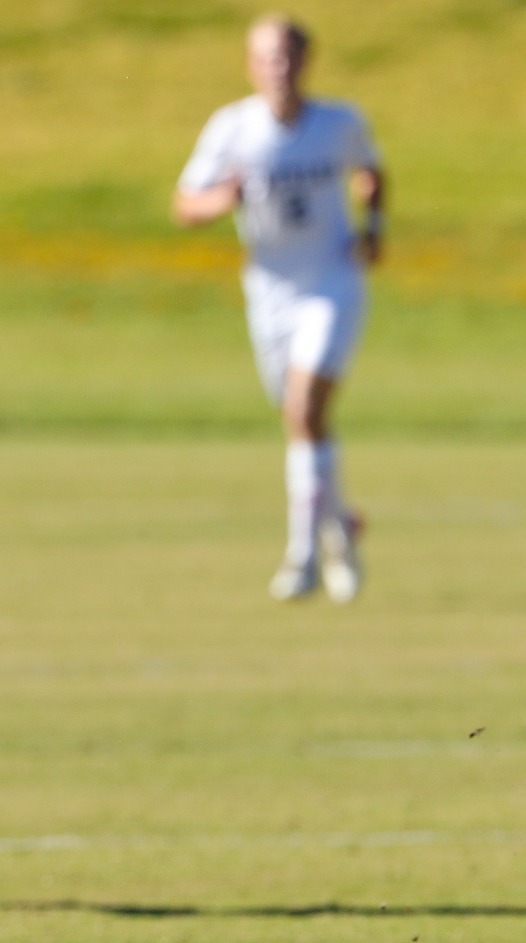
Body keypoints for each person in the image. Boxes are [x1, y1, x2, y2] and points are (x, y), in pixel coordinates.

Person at [173, 13, 383, 603]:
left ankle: (304, 557)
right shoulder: (233, 128)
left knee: (304, 405)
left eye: (289, 56)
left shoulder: (339, 122)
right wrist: (222, 197)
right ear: (251, 65)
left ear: (306, 62)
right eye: (268, 58)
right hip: (270, 290)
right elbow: (184, 204)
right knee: (301, 419)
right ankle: (340, 523)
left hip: (333, 282)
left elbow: (371, 169)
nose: (279, 69)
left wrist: (374, 224)